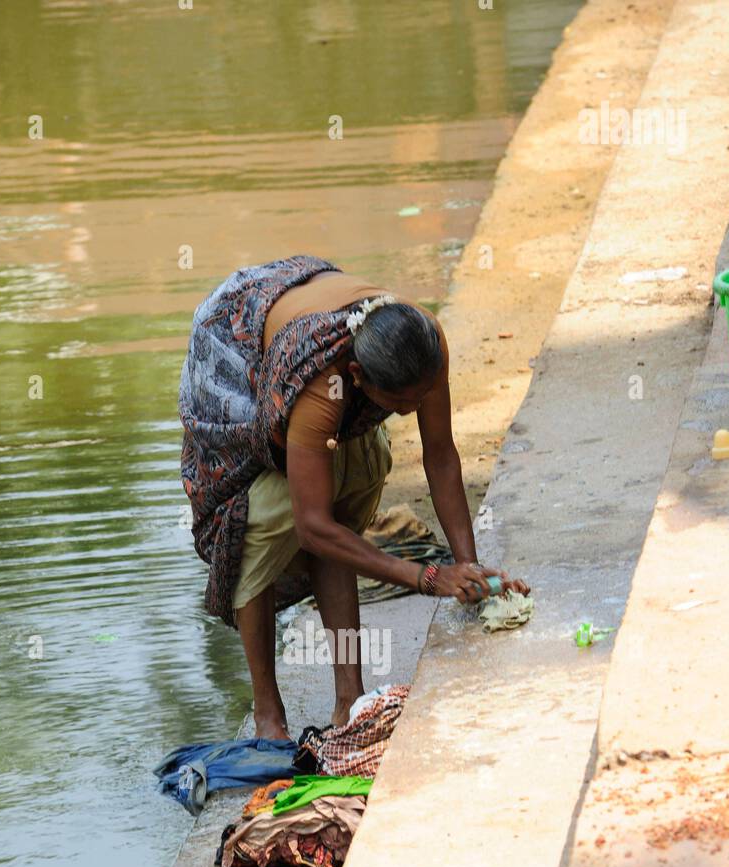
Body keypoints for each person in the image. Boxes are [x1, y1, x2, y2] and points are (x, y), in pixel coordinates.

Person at [179, 255, 529, 739]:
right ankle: (268, 715)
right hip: (236, 356)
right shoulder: (321, 385)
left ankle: (349, 699)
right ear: (359, 379)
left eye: (420, 397)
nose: (412, 412)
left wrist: (469, 572)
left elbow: (441, 456)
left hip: (307, 316)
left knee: (355, 476)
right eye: (402, 404)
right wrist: (428, 577)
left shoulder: (422, 338)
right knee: (261, 518)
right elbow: (314, 527)